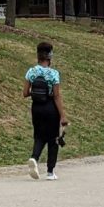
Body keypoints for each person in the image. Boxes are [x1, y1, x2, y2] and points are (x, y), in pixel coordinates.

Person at [23, 40, 68, 180]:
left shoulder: (31, 71)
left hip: (36, 107)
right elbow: (56, 96)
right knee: (53, 138)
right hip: (50, 108)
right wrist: (63, 116)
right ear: (50, 56)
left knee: (38, 136)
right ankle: (50, 172)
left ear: (38, 55)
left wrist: (36, 92)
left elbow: (25, 93)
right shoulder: (53, 73)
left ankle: (34, 159)